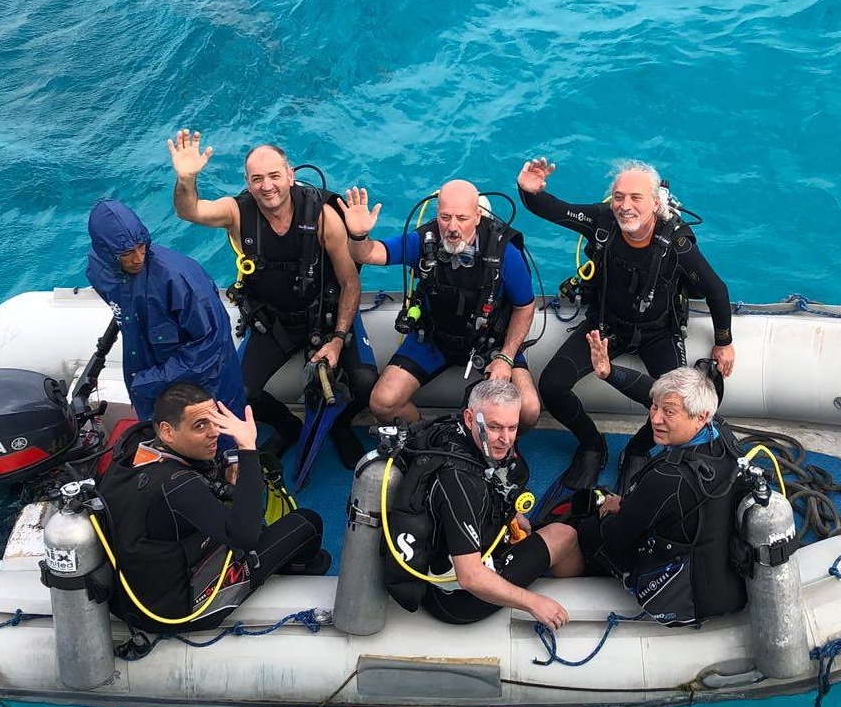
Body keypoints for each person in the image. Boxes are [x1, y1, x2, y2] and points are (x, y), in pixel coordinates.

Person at [516, 157, 735, 486]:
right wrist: (529, 191)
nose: (625, 206)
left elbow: (716, 290)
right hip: (607, 325)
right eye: (619, 196)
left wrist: (724, 342)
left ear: (656, 202)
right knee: (551, 384)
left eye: (636, 198)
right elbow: (554, 208)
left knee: (673, 403)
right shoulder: (602, 221)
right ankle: (592, 444)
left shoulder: (675, 242)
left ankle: (635, 450)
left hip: (659, 332)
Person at [168, 131, 376, 466]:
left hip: (324, 316)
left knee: (367, 382)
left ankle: (340, 425)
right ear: (248, 183)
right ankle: (288, 425)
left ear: (291, 176)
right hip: (274, 322)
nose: (267, 186)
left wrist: (337, 339)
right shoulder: (236, 213)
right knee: (236, 392)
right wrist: (186, 178)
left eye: (275, 176)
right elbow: (189, 211)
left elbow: (350, 283)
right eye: (257, 179)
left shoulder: (322, 216)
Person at [97, 382, 328, 633]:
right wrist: (248, 449)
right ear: (167, 431)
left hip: (126, 598)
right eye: (199, 426)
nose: (214, 433)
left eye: (214, 421)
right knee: (307, 522)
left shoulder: (133, 447)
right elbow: (245, 536)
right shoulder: (179, 486)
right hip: (173, 610)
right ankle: (298, 570)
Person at [553, 332, 747, 625]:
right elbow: (652, 390)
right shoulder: (721, 434)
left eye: (668, 412)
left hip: (686, 598)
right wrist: (608, 373)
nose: (655, 418)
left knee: (590, 529)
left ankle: (573, 579)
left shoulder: (668, 478)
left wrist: (616, 510)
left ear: (699, 416)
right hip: (721, 573)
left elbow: (615, 537)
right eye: (654, 407)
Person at [342, 179, 540, 431]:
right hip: (435, 338)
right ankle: (429, 436)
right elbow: (369, 254)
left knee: (529, 410)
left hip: (490, 343)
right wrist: (358, 235)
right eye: (445, 217)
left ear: (478, 216)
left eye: (462, 218)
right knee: (383, 403)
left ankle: (496, 446)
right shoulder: (424, 241)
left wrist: (506, 356)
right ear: (437, 215)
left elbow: (525, 306)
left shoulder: (505, 254)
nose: (453, 228)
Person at [382, 379, 579, 627]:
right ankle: (583, 583)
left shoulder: (452, 433)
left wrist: (512, 517)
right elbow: (471, 577)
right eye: (495, 427)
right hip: (456, 598)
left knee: (528, 527)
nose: (505, 440)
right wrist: (534, 602)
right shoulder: (459, 484)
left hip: (447, 553)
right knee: (565, 536)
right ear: (469, 417)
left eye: (512, 427)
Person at [86, 198, 244, 422]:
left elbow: (211, 342)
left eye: (141, 247)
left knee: (216, 440)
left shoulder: (178, 279)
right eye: (127, 254)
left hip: (206, 379)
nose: (138, 258)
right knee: (161, 436)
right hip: (146, 372)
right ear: (107, 255)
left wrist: (153, 380)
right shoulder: (99, 272)